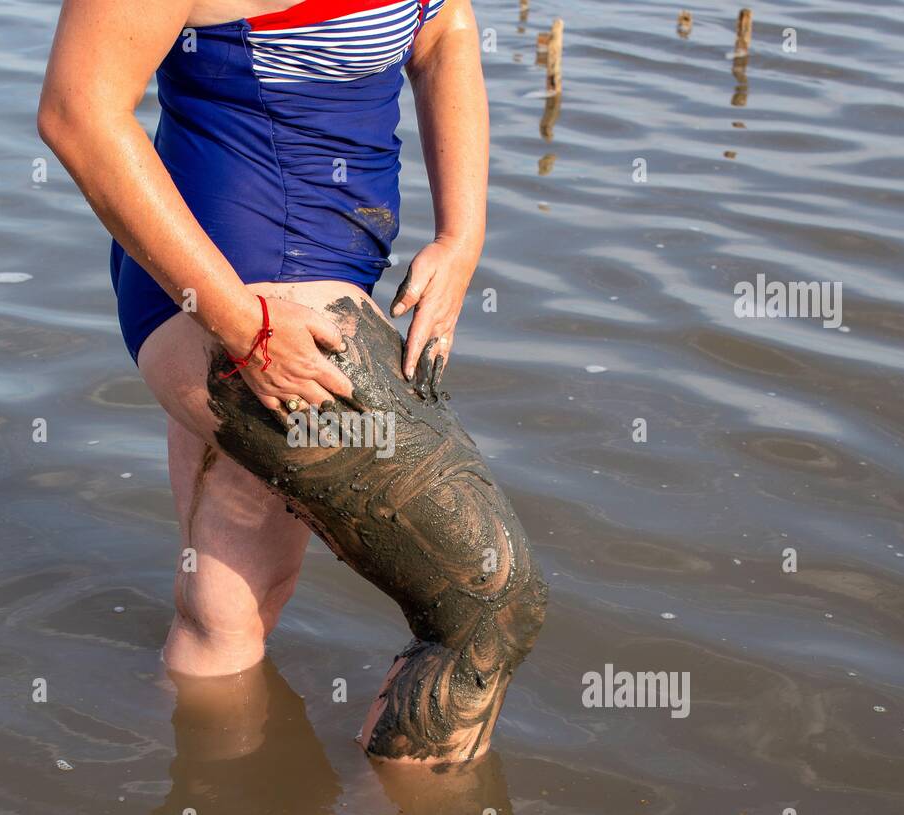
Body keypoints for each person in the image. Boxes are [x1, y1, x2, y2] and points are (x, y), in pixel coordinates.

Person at [38, 0, 548, 763]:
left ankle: (218, 806)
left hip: (285, 293)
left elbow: (443, 27)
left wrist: (461, 234)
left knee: (234, 596)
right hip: (242, 302)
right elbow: (77, 111)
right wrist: (247, 329)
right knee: (488, 608)